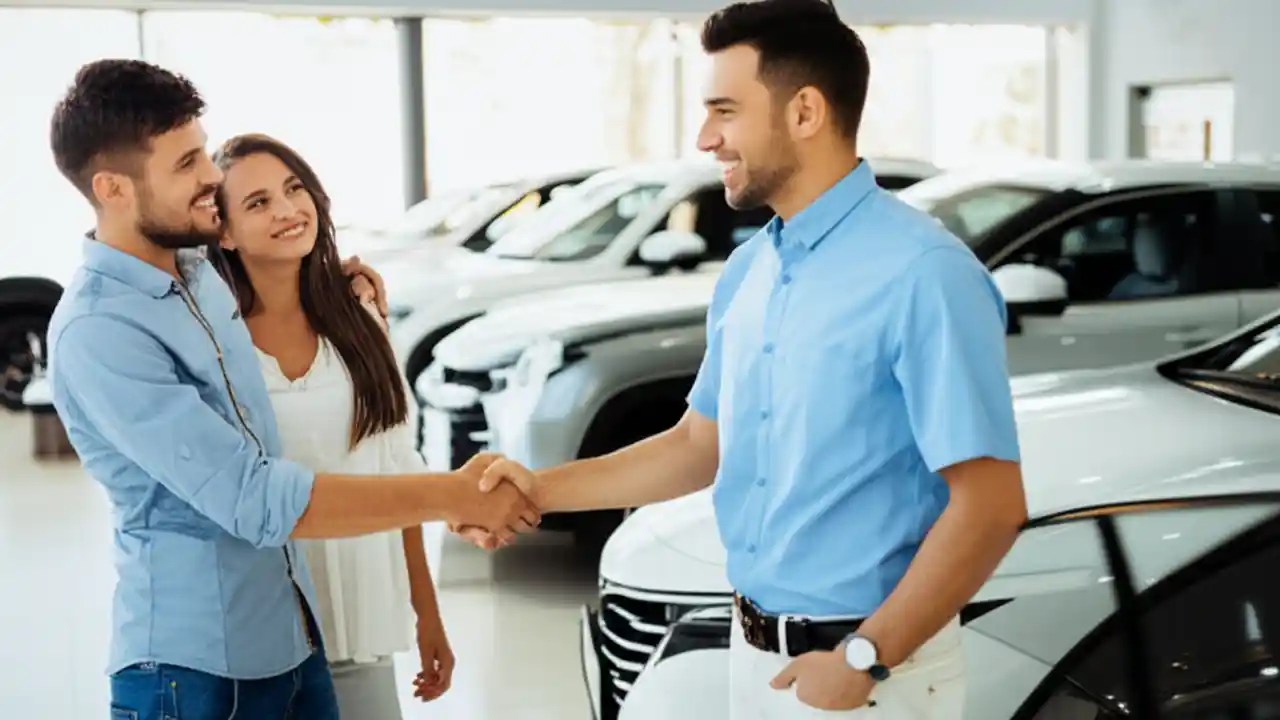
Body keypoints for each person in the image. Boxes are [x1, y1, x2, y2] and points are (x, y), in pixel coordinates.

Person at [464, 2, 1027, 718]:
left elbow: (991, 506)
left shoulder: (926, 273)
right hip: (755, 654)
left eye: (724, 111)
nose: (705, 138)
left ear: (805, 112)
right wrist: (535, 491)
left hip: (871, 675)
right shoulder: (751, 269)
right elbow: (699, 445)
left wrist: (866, 657)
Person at [45, 58, 538, 720]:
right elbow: (253, 497)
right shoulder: (100, 331)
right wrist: (454, 494)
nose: (210, 178)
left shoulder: (194, 276)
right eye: (188, 163)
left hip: (290, 643)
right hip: (194, 673)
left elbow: (276, 262)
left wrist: (342, 281)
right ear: (112, 188)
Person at [206, 132, 454, 717]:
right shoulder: (213, 341)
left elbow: (400, 467)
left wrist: (425, 607)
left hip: (363, 619)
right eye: (258, 202)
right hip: (263, 632)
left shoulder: (360, 317)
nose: (288, 210)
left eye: (294, 189)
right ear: (224, 232)